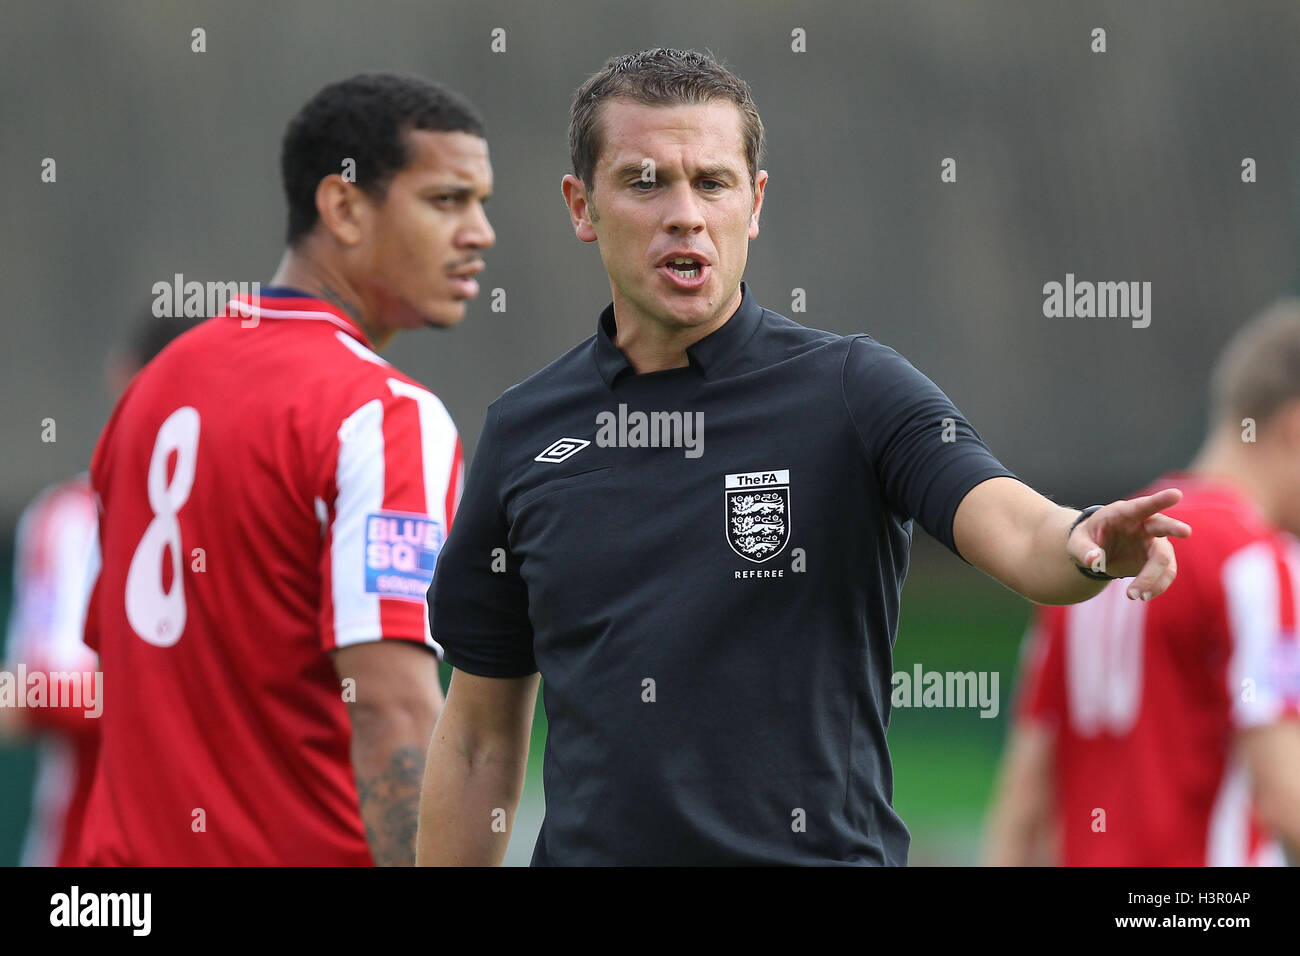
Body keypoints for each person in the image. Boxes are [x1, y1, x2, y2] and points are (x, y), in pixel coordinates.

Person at [416, 48, 1188, 866]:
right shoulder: (525, 430)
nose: (685, 213)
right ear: (582, 206)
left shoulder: (854, 390)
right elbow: (475, 742)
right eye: (647, 183)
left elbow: (1015, 527)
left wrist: (1084, 542)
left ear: (754, 203)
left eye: (712, 183)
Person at [79, 72, 495, 866]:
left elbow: (122, 668)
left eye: (480, 202)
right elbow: (390, 711)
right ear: (343, 207)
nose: (480, 231)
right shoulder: (382, 414)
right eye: (447, 200)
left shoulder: (152, 391)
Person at [984, 300, 1300, 866]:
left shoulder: (1098, 546)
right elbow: (1285, 793)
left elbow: (1025, 799)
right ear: (1293, 428)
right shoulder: (1253, 563)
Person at [1, 314, 196, 867]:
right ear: (123, 379)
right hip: (84, 863)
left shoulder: (257, 517)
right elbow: (35, 694)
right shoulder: (67, 518)